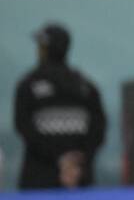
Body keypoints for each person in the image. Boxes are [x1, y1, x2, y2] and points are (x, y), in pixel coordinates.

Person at [14, 24, 106, 190]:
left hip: (40, 183)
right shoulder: (86, 86)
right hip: (76, 178)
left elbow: (23, 127)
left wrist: (63, 161)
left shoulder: (28, 86)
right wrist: (75, 162)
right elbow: (98, 131)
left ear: (44, 50)